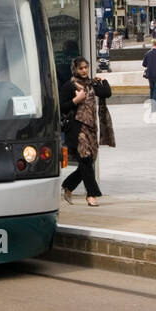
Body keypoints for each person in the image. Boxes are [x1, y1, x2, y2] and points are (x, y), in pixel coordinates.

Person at [59, 57, 114, 207]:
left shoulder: (91, 84)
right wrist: (76, 100)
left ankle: (68, 185)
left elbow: (106, 93)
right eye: (80, 68)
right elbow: (61, 107)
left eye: (85, 68)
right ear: (75, 69)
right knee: (85, 159)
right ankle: (91, 195)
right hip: (77, 128)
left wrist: (102, 81)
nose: (84, 71)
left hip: (91, 128)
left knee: (89, 162)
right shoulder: (69, 86)